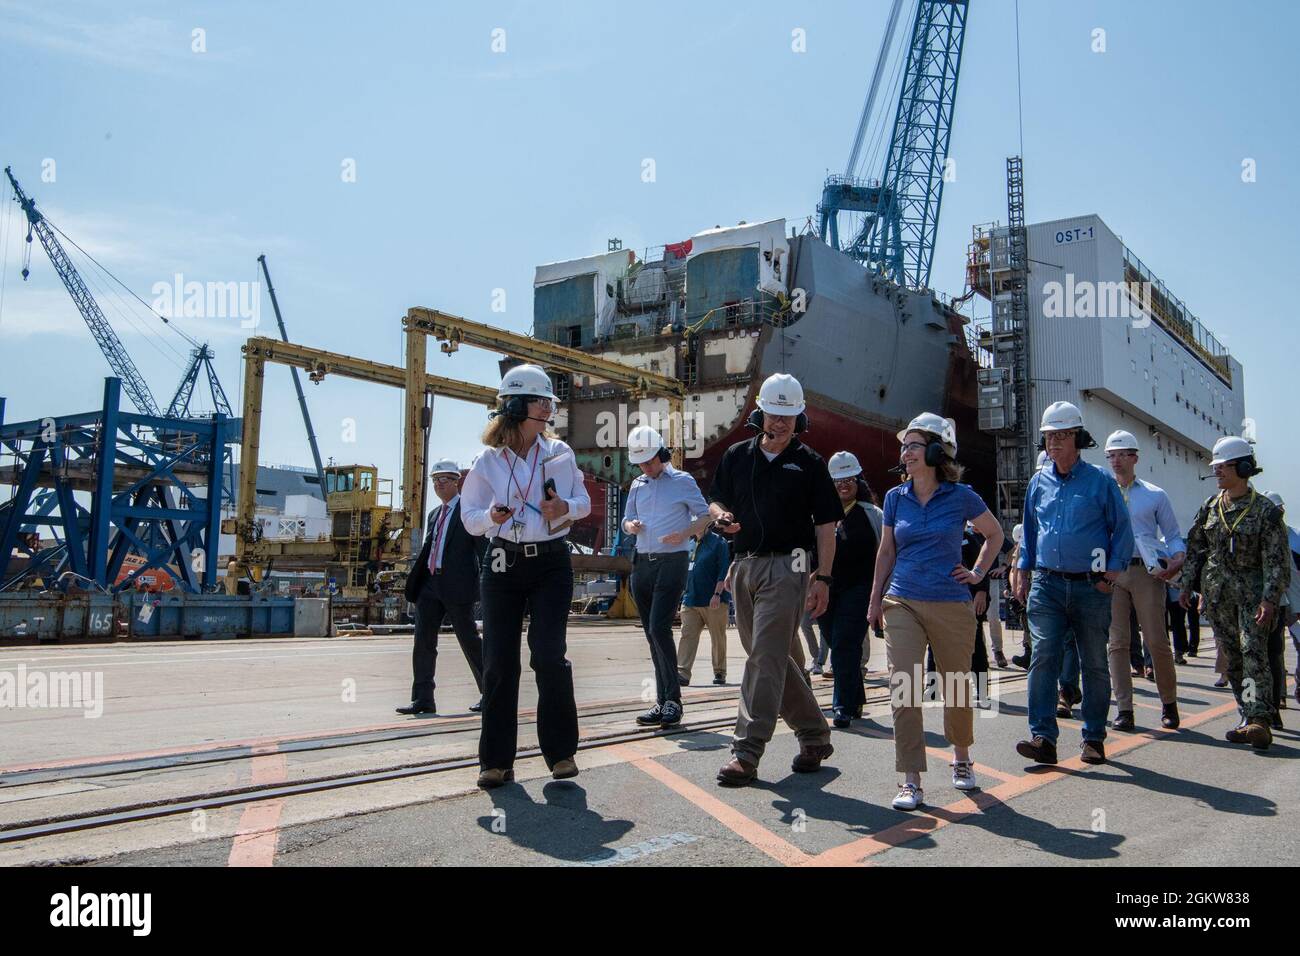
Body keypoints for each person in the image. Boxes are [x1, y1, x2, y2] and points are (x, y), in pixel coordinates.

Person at [460, 364, 591, 788]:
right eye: (541, 401)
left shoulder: (561, 453)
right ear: (516, 406)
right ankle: (496, 761)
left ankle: (561, 753)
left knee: (549, 655)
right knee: (499, 661)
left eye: (549, 401)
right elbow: (469, 517)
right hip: (503, 561)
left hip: (551, 562)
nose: (549, 407)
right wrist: (491, 516)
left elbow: (584, 502)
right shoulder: (487, 461)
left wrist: (564, 508)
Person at [707, 373, 840, 786]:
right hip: (744, 564)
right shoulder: (736, 456)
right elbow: (716, 499)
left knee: (764, 657)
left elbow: (826, 527)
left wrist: (824, 578)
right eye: (773, 415)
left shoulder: (811, 463)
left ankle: (746, 751)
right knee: (771, 656)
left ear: (799, 419)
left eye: (788, 416)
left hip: (791, 566)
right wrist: (721, 517)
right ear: (760, 414)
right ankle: (815, 735)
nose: (779, 423)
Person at [868, 413, 1003, 810]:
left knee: (957, 686)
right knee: (904, 687)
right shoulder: (895, 498)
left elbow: (994, 534)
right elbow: (886, 551)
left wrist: (977, 573)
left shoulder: (962, 496)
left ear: (935, 452)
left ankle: (961, 756)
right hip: (902, 601)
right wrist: (875, 599)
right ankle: (910, 779)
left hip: (951, 602)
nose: (904, 453)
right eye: (904, 447)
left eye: (913, 445)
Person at [1011, 402, 1133, 766]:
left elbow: (1122, 529)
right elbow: (1030, 532)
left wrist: (1111, 574)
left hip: (1090, 588)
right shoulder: (1038, 483)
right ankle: (1043, 738)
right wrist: (1023, 570)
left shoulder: (1100, 481)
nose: (1054, 443)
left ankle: (1093, 737)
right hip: (1046, 584)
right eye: (1049, 436)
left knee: (1094, 663)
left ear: (1078, 439)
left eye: (1062, 436)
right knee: (1043, 658)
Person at [1178, 437, 1289, 749]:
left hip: (1253, 597)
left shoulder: (1265, 511)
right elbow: (1196, 549)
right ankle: (1246, 714)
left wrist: (1269, 598)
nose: (1216, 472)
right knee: (1234, 657)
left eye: (1223, 466)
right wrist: (1187, 584)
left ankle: (1259, 718)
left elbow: (1276, 561)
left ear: (1243, 468)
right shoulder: (1210, 508)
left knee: (1253, 651)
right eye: (1215, 467)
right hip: (1218, 596)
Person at [622, 425, 713, 727]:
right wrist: (631, 526)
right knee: (651, 633)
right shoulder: (637, 485)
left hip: (672, 561)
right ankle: (662, 702)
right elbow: (626, 520)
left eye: (650, 461)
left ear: (662, 454)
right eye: (640, 464)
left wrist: (684, 534)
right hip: (642, 563)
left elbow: (705, 516)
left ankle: (673, 700)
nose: (646, 468)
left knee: (659, 627)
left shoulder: (683, 481)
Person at [1101, 430, 1186, 732]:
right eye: (1111, 455)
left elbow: (1173, 535)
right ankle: (1124, 709)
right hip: (1113, 571)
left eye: (1122, 454)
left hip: (1146, 572)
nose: (1116, 460)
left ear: (1135, 458)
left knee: (1156, 640)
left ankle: (1169, 703)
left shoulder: (1154, 494)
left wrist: (1177, 558)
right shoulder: (1102, 493)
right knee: (1117, 643)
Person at [398, 459, 486, 716]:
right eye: (435, 480)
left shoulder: (469, 512)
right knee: (423, 641)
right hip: (430, 584)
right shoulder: (434, 514)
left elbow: (482, 552)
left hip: (458, 586)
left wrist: (488, 585)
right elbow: (430, 548)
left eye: (444, 480)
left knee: (469, 639)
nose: (438, 485)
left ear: (457, 482)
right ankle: (422, 699)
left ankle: (491, 692)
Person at [821, 451, 880, 727]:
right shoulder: (820, 514)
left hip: (860, 589)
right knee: (837, 642)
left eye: (849, 480)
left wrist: (883, 593)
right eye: (838, 481)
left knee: (845, 642)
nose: (843, 485)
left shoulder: (873, 515)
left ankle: (842, 706)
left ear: (858, 481)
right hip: (826, 590)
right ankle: (855, 698)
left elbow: (887, 553)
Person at [677, 527, 731, 687]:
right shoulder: (690, 543)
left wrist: (717, 594)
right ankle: (682, 672)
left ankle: (719, 671)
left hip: (713, 601)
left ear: (707, 522)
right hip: (691, 599)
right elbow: (684, 572)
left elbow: (723, 570)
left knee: (717, 637)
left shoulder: (719, 543)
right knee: (687, 635)